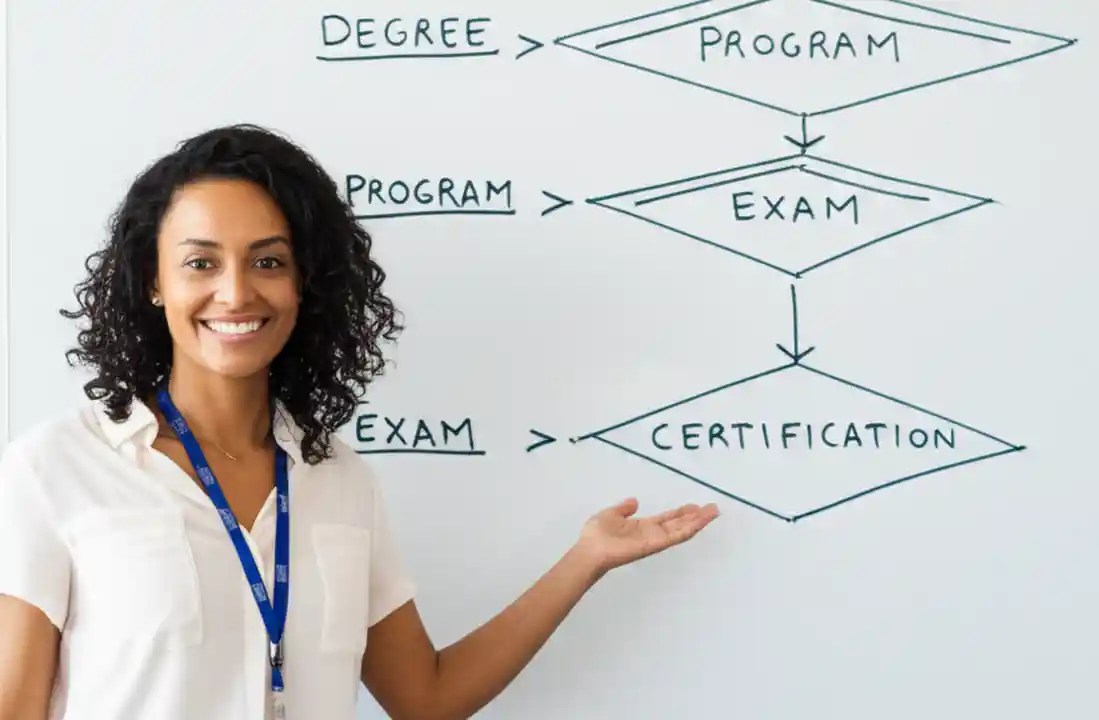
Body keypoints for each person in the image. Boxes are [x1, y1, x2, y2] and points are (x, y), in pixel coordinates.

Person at [0, 124, 720, 719]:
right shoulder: (55, 469)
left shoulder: (337, 480)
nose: (235, 291)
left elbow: (425, 698)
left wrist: (586, 558)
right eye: (200, 262)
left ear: (305, 282)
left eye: (269, 261)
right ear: (154, 280)